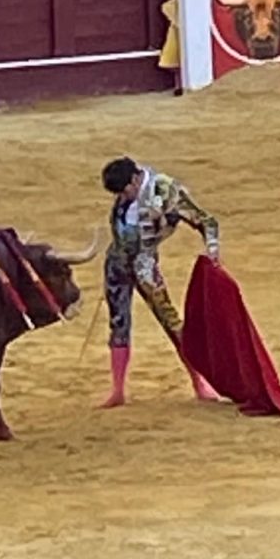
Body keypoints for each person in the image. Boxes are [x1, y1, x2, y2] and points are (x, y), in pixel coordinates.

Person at [98, 156, 221, 408]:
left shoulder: (165, 191)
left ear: (135, 179)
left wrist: (213, 251)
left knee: (171, 321)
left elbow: (206, 222)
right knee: (118, 323)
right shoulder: (126, 193)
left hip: (145, 266)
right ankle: (118, 391)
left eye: (125, 190)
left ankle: (199, 382)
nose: (123, 196)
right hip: (118, 264)